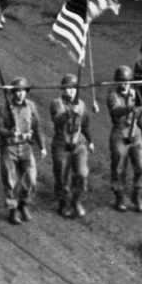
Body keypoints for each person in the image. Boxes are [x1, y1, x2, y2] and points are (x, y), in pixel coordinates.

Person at [0, 78, 42, 224]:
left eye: (22, 90)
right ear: (12, 93)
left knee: (31, 179)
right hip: (10, 148)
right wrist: (11, 133)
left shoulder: (31, 106)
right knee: (10, 180)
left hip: (26, 147)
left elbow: (37, 127)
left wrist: (42, 146)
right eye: (17, 91)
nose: (20, 94)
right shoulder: (4, 108)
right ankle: (13, 210)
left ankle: (24, 204)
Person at [106, 64, 142, 213]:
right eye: (121, 81)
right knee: (118, 166)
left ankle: (136, 194)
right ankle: (119, 196)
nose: (124, 84)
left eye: (127, 81)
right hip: (119, 133)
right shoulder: (113, 96)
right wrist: (131, 108)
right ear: (117, 82)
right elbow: (116, 111)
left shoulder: (135, 93)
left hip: (135, 134)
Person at [49, 73, 93, 218]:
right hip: (62, 144)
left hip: (78, 145)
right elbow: (57, 119)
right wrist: (68, 114)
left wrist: (90, 140)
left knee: (81, 173)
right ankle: (63, 203)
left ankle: (76, 200)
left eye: (74, 88)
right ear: (63, 89)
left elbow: (85, 124)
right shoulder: (57, 103)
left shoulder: (81, 104)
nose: (71, 91)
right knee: (61, 176)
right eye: (68, 88)